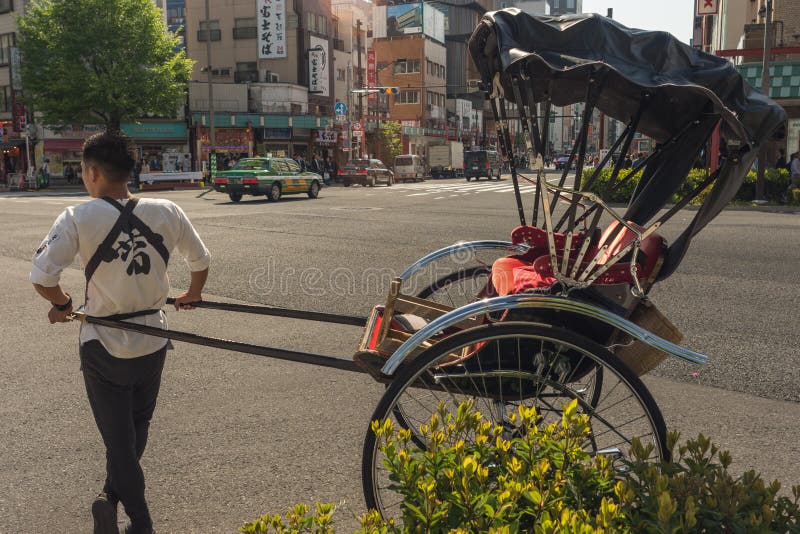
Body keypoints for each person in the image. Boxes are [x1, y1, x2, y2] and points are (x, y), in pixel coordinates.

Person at [30, 130, 211, 534]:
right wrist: (192, 294)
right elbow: (200, 260)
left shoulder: (78, 217)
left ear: (92, 172)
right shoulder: (167, 210)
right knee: (135, 432)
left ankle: (141, 523)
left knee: (120, 443)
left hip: (103, 347)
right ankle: (109, 500)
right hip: (153, 341)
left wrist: (62, 306)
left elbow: (42, 276)